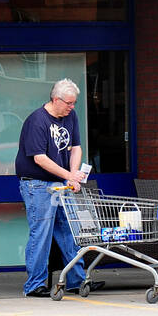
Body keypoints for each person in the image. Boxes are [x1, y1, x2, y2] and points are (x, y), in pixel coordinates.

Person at [15, 78, 102, 297]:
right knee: (41, 234)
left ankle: (77, 281)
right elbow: (40, 159)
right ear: (56, 99)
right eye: (69, 103)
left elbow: (76, 148)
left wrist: (71, 177)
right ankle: (35, 285)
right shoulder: (37, 121)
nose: (72, 107)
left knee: (69, 231)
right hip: (38, 184)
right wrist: (69, 175)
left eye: (74, 103)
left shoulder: (69, 116)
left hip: (60, 182)